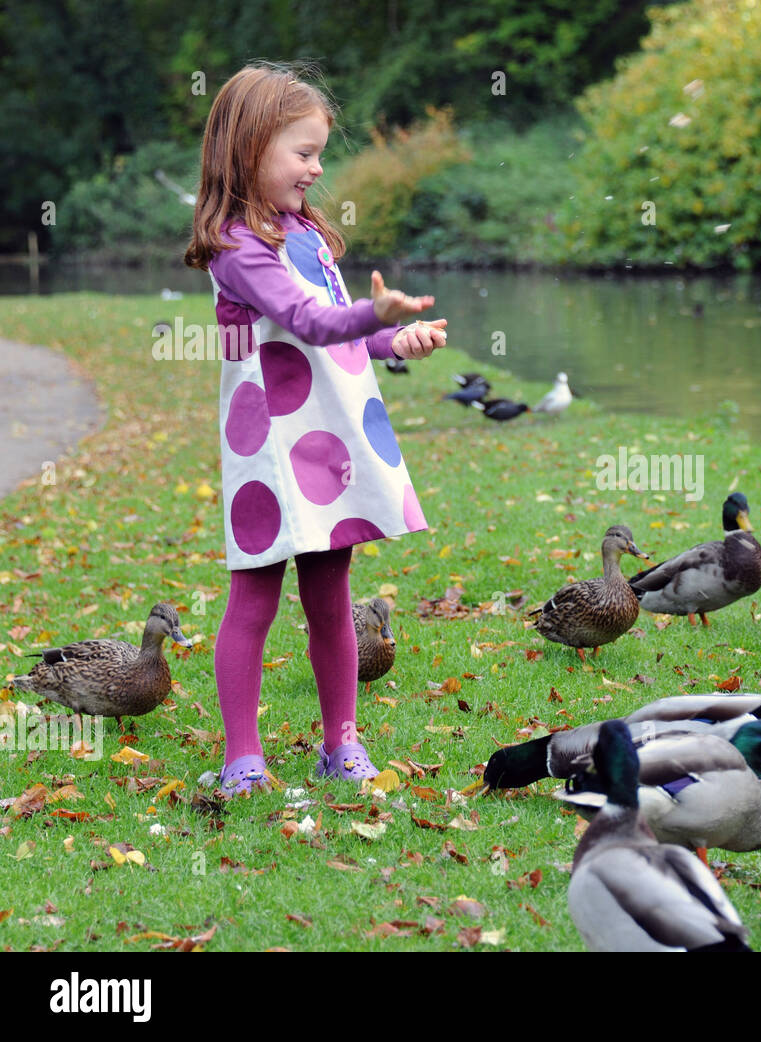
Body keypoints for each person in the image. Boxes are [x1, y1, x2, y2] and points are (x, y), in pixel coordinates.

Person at [184, 63, 446, 795]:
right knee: (255, 598)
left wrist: (396, 340)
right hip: (269, 445)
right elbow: (306, 321)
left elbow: (339, 341)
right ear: (249, 149)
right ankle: (244, 759)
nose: (317, 167)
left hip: (328, 440)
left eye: (318, 152)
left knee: (331, 597)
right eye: (302, 152)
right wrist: (373, 313)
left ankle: (342, 745)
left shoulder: (308, 236)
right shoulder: (238, 247)